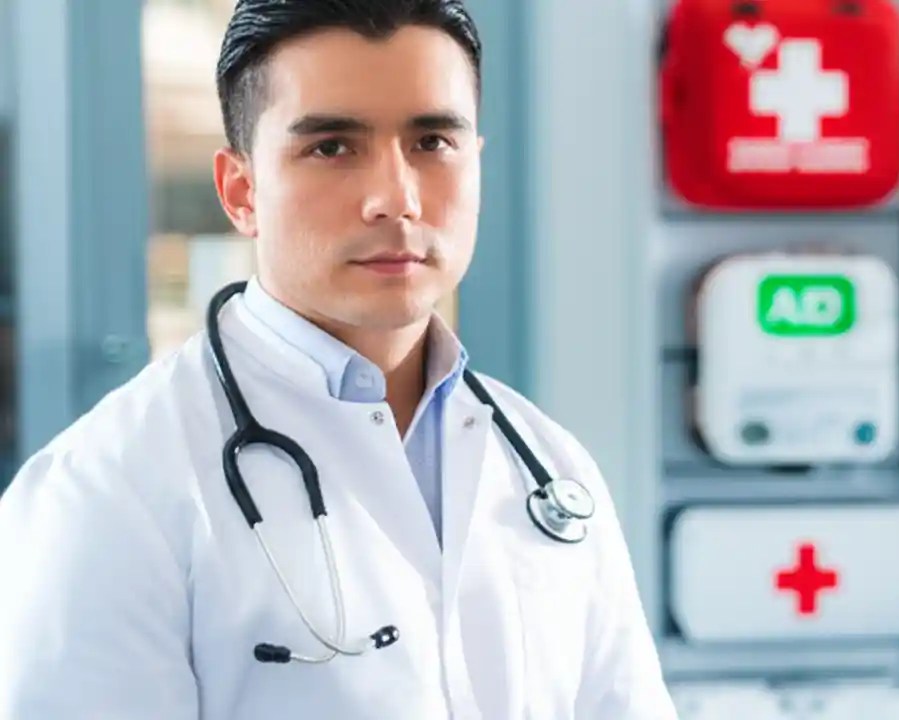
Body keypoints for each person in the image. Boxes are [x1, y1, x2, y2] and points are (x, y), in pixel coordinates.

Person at [0, 1, 677, 717]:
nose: (396, 199)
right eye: (332, 147)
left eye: (432, 142)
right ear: (241, 191)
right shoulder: (106, 490)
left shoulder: (549, 466)